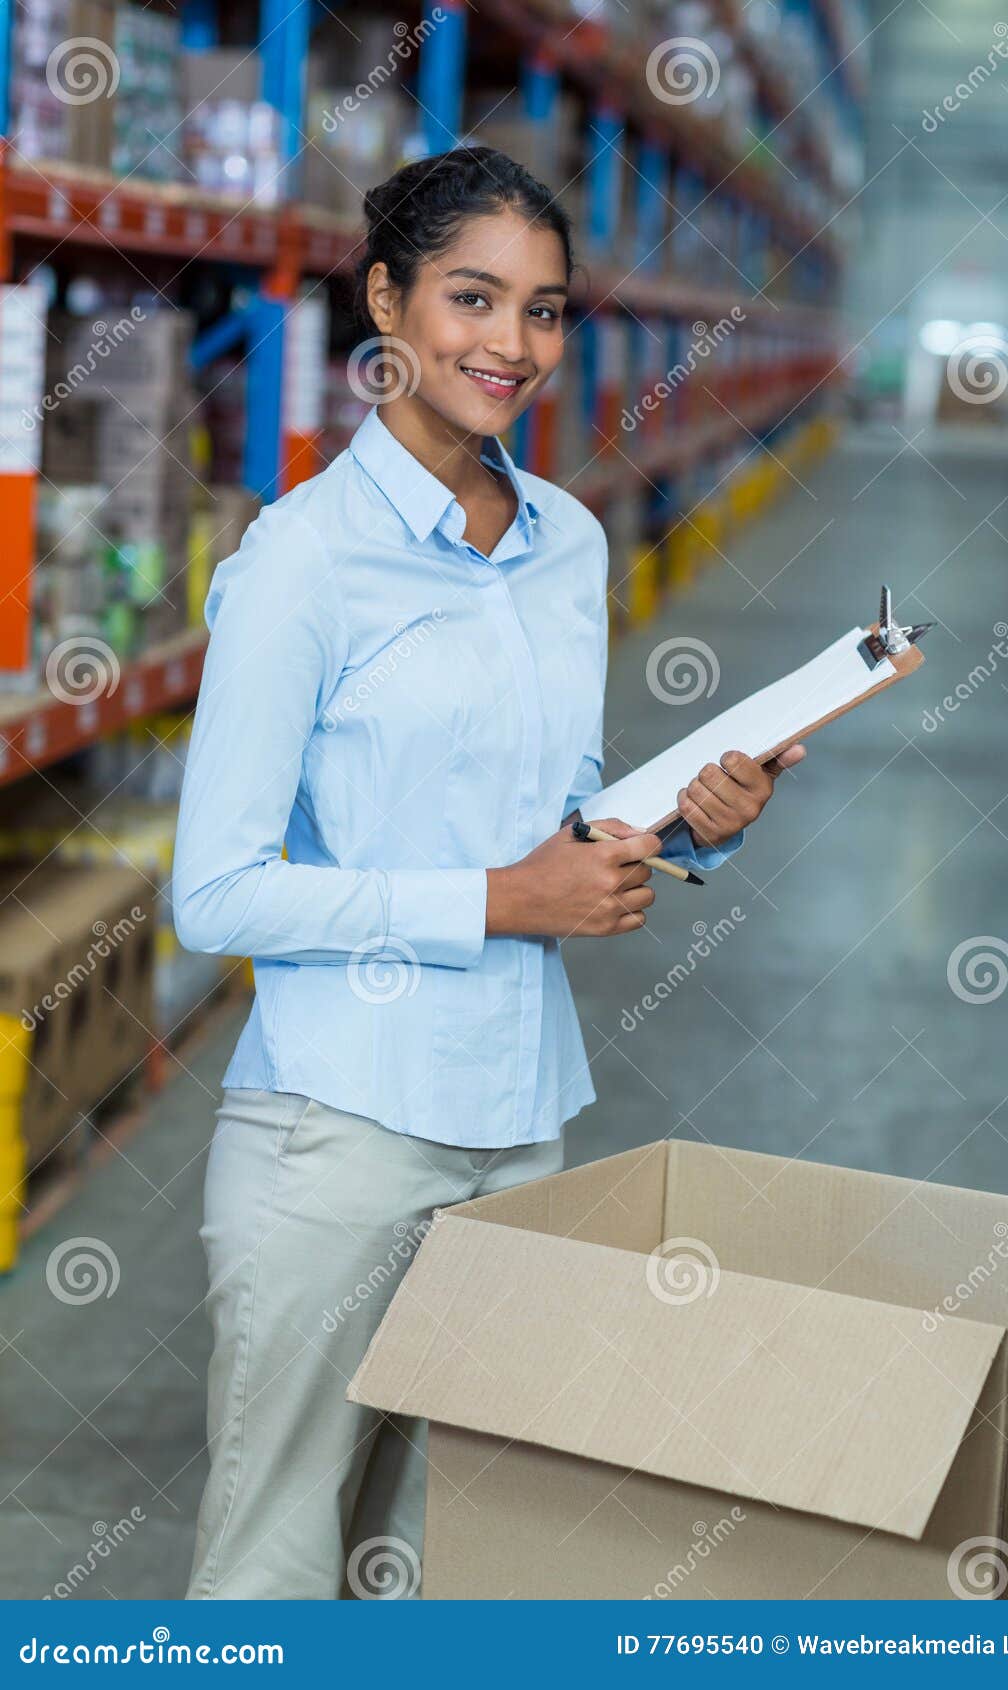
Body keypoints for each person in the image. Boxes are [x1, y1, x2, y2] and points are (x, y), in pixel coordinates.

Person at [172, 147, 804, 1601]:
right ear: (384, 301)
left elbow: (550, 815)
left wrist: (698, 820)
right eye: (471, 298)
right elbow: (215, 891)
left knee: (440, 1569)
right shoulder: (302, 564)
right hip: (337, 1133)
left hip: (518, 1125)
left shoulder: (565, 543)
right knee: (273, 1575)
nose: (511, 346)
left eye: (546, 309)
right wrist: (501, 903)